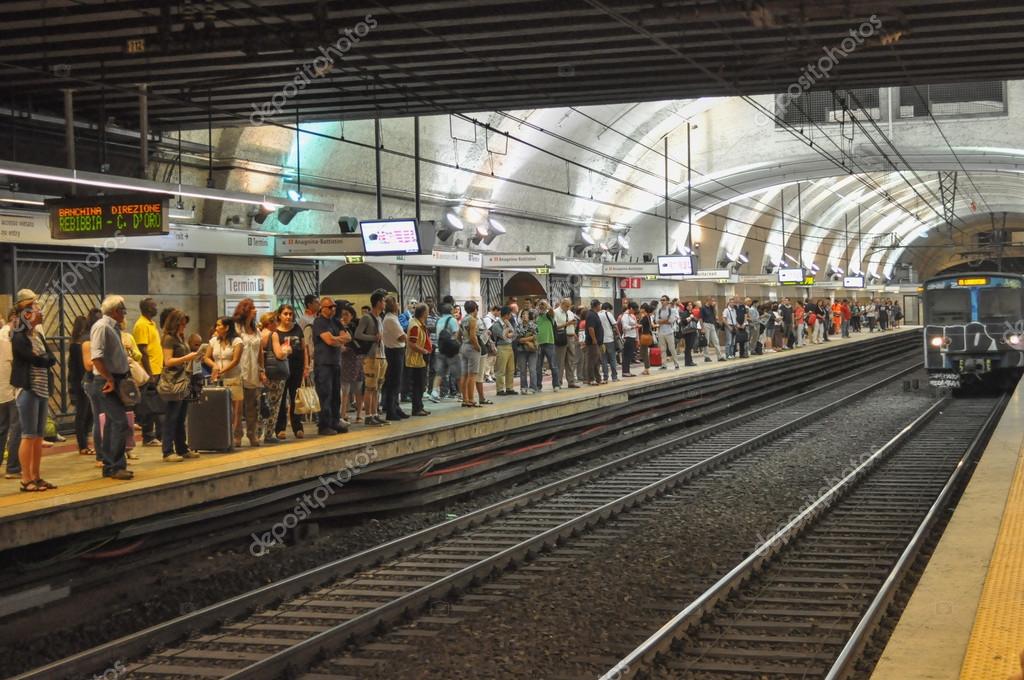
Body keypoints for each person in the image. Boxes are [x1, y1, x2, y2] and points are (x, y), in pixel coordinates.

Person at [10, 291, 56, 490]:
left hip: (42, 389)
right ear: (26, 314)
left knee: (38, 436)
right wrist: (43, 359)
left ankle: (37, 476)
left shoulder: (38, 335)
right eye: (37, 309)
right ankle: (26, 479)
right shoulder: (18, 336)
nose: (41, 312)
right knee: (28, 435)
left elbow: (51, 358)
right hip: (28, 390)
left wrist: (43, 359)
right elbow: (33, 358)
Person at [90, 294, 133, 480]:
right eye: (123, 310)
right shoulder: (102, 327)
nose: (125, 313)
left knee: (110, 424)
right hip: (107, 381)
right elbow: (96, 357)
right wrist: (109, 378)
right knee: (119, 422)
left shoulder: (113, 327)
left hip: (116, 379)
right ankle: (116, 466)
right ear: (115, 311)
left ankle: (110, 465)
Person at [159, 309, 202, 461]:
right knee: (171, 416)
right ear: (175, 323)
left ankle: (182, 448)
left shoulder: (180, 337)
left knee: (181, 416)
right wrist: (187, 357)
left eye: (185, 324)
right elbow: (168, 361)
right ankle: (167, 451)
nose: (184, 327)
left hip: (183, 380)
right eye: (181, 324)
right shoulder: (169, 339)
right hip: (174, 381)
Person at [311, 296, 350, 434]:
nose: (333, 309)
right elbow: (329, 341)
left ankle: (335, 421)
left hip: (335, 362)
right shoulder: (319, 322)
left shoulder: (336, 321)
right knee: (325, 394)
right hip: (323, 364)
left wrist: (336, 339)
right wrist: (337, 340)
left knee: (335, 394)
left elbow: (348, 337)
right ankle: (324, 425)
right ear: (322, 308)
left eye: (334, 306)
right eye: (330, 307)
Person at [204, 316, 244, 444]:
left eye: (219, 325)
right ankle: (221, 435)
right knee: (219, 407)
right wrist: (214, 366)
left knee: (236, 409)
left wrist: (223, 370)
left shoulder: (237, 341)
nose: (216, 328)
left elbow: (236, 360)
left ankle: (236, 435)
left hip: (233, 377)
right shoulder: (213, 341)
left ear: (227, 327)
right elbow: (206, 357)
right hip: (217, 378)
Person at [272, 304, 308, 440]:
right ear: (279, 315)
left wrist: (306, 366)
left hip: (296, 367)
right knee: (281, 398)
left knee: (296, 397)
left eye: (290, 314)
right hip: (282, 368)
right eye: (285, 314)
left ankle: (297, 427)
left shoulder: (297, 328)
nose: (288, 316)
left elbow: (304, 349)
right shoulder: (276, 332)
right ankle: (280, 428)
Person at [132, 297, 163, 447]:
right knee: (148, 405)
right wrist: (149, 373)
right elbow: (142, 350)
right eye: (153, 305)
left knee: (156, 404)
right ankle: (148, 436)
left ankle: (158, 434)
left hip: (157, 369)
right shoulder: (141, 325)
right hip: (149, 371)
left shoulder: (152, 323)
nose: (156, 307)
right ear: (147, 308)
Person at [356, 291, 388, 426]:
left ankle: (375, 413)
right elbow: (358, 334)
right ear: (378, 302)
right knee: (370, 387)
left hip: (381, 355)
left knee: (377, 387)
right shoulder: (366, 318)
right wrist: (373, 338)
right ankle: (368, 415)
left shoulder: (379, 318)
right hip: (371, 356)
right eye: (384, 301)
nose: (385, 303)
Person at [259, 311, 291, 443]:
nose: (278, 324)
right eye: (277, 321)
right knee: (274, 405)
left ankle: (257, 433)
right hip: (275, 374)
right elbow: (279, 354)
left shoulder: (259, 334)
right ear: (271, 323)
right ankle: (268, 434)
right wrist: (287, 350)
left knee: (262, 405)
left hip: (263, 373)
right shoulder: (273, 335)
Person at [1, 309, 23, 480]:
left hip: (1, 390)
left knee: (2, 428)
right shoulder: (10, 336)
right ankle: (13, 467)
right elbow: (14, 362)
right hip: (12, 389)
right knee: (17, 428)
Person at [381, 296, 408, 421]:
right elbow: (401, 337)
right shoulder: (390, 319)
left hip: (395, 351)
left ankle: (395, 407)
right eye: (396, 302)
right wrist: (407, 337)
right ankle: (391, 410)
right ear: (392, 305)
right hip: (394, 352)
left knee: (396, 381)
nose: (398, 304)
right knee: (394, 382)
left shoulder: (392, 318)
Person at [428, 303, 461, 403]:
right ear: (451, 311)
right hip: (451, 352)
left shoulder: (439, 320)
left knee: (439, 373)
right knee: (458, 374)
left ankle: (434, 393)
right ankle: (462, 394)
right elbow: (456, 334)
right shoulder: (452, 320)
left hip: (440, 350)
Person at [458, 300, 488, 407]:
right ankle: (471, 399)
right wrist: (478, 347)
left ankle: (465, 399)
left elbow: (458, 335)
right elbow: (473, 336)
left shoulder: (463, 320)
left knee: (464, 374)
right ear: (475, 309)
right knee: (472, 374)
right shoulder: (472, 319)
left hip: (464, 346)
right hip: (472, 348)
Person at [405, 303, 432, 416]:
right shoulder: (415, 325)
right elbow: (412, 343)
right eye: (427, 311)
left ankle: (419, 406)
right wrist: (424, 351)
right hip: (417, 359)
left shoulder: (419, 323)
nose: (428, 313)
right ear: (424, 313)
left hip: (420, 358)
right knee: (418, 385)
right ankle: (416, 408)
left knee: (421, 384)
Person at [553, 298, 580, 388]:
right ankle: (558, 382)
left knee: (571, 360)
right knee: (560, 361)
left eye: (569, 306)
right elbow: (555, 327)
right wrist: (567, 323)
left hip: (571, 337)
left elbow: (572, 324)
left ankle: (571, 381)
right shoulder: (555, 312)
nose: (568, 308)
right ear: (562, 304)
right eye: (567, 306)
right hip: (561, 337)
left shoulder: (570, 313)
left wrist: (574, 333)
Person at [534, 300, 560, 392]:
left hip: (549, 342)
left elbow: (551, 312)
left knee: (553, 365)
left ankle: (556, 385)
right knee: (538, 366)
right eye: (540, 305)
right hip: (538, 344)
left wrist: (547, 305)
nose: (541, 307)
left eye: (542, 306)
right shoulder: (536, 317)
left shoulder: (549, 315)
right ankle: (538, 386)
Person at [490, 306, 516, 395]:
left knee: (511, 369)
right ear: (506, 315)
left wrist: (510, 332)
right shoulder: (496, 325)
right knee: (501, 369)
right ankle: (500, 389)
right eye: (510, 314)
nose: (511, 316)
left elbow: (514, 333)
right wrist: (510, 331)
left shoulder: (508, 322)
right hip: (501, 347)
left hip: (510, 346)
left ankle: (509, 388)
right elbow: (504, 335)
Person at [654, 295, 681, 369]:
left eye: (664, 300)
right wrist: (665, 321)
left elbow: (671, 321)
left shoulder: (671, 310)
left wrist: (662, 321)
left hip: (669, 332)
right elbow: (656, 321)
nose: (662, 301)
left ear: (667, 301)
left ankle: (676, 363)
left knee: (672, 348)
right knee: (662, 349)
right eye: (661, 300)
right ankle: (664, 364)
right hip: (661, 332)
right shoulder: (659, 310)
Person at [516, 308, 538, 394]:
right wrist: (528, 340)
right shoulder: (518, 326)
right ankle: (523, 387)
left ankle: (533, 387)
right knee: (522, 370)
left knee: (532, 369)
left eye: (526, 314)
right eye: (523, 314)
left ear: (529, 316)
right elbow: (518, 339)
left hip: (532, 350)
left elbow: (536, 336)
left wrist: (525, 340)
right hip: (521, 350)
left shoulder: (534, 325)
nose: (524, 316)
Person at [581, 299, 603, 385]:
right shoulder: (591, 315)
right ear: (596, 306)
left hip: (597, 342)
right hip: (592, 342)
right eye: (599, 305)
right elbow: (591, 328)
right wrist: (594, 339)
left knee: (597, 361)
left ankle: (598, 378)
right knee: (591, 361)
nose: (600, 306)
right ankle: (591, 379)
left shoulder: (594, 314)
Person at [597, 302, 619, 382]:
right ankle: (614, 377)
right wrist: (619, 335)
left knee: (604, 359)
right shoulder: (608, 314)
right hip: (610, 339)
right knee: (612, 358)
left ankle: (605, 377)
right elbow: (615, 325)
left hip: (601, 340)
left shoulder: (597, 314)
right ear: (608, 308)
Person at [700, 298, 724, 362]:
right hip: (706, 324)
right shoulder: (703, 308)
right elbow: (701, 319)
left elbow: (715, 315)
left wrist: (715, 307)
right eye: (712, 301)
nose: (713, 302)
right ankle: (706, 357)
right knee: (706, 341)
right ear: (708, 301)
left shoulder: (711, 308)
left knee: (716, 340)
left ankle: (719, 356)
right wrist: (702, 328)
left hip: (712, 325)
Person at [619, 302, 638, 376]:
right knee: (626, 355)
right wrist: (634, 327)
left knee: (629, 355)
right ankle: (625, 372)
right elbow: (625, 327)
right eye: (634, 310)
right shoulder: (625, 316)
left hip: (632, 337)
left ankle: (627, 371)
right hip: (628, 337)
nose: (635, 311)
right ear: (631, 308)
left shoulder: (631, 315)